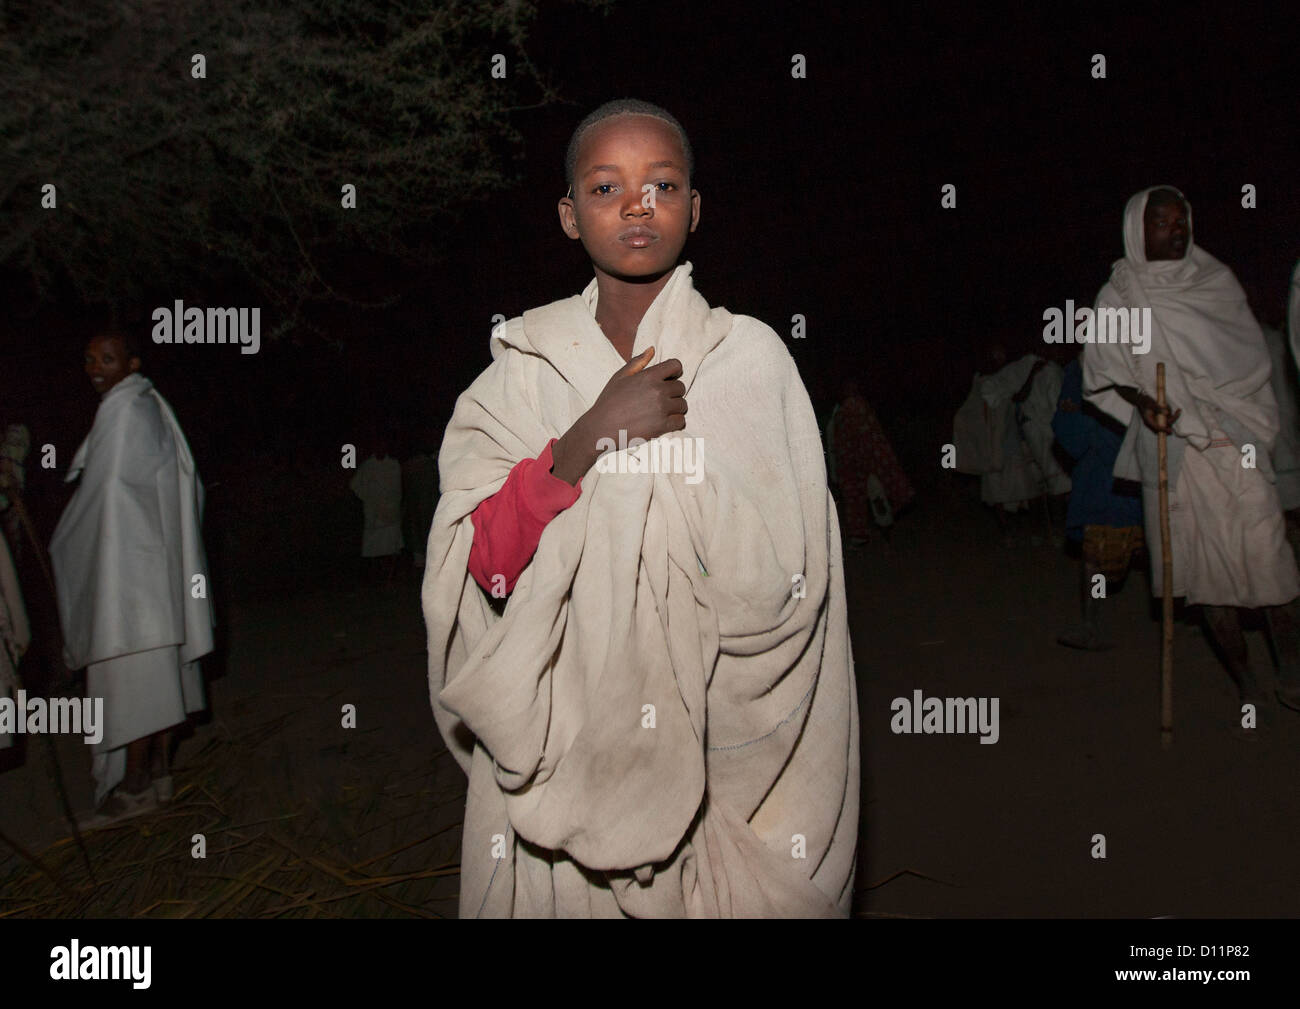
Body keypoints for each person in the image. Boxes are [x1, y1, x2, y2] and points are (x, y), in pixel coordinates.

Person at [422, 99, 858, 917]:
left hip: (719, 762)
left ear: (694, 209)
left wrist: (673, 494)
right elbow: (480, 566)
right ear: (568, 215)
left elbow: (785, 587)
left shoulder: (749, 359)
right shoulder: (521, 372)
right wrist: (584, 442)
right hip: (565, 762)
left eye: (661, 183)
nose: (636, 203)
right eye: (604, 186)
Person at [1084, 186, 1300, 723]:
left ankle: (1293, 671)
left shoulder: (1216, 282)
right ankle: (1246, 682)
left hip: (1237, 445)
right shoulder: (1121, 295)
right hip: (1175, 456)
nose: (1175, 230)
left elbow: (1252, 364)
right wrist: (1144, 403)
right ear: (1138, 229)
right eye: (1161, 222)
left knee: (1270, 558)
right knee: (1206, 579)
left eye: (1182, 220)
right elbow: (1106, 375)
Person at [50, 329, 213, 824]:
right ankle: (161, 776)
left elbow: (105, 499)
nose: (95, 367)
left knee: (135, 688)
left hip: (129, 585)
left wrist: (63, 540)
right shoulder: (153, 408)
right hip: (158, 578)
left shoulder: (121, 411)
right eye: (89, 357)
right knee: (162, 681)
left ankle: (134, 787)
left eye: (108, 358)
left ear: (132, 363)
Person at [1052, 350, 1144, 649]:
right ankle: (1091, 624)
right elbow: (1069, 426)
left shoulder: (1137, 360)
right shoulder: (1077, 370)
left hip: (1140, 470)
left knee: (1153, 548)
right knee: (1095, 554)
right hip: (1098, 478)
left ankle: (1184, 612)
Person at [977, 346, 1070, 544]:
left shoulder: (1036, 368)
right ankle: (1054, 532)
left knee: (1038, 485)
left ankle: (1042, 532)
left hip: (1027, 434)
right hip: (1032, 433)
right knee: (1053, 483)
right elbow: (1016, 396)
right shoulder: (1027, 368)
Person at [825, 377, 913, 549]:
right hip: (856, 463)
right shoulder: (842, 411)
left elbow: (869, 437)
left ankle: (875, 536)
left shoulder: (853, 409)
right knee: (869, 499)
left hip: (860, 463)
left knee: (868, 499)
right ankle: (874, 535)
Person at [349, 429, 403, 581]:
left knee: (392, 547)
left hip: (391, 513)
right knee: (374, 547)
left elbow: (397, 489)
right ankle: (376, 578)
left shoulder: (393, 465)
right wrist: (369, 499)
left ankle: (390, 577)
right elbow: (356, 485)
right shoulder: (367, 466)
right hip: (373, 514)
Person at [402, 422, 441, 570]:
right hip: (417, 506)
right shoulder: (413, 464)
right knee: (417, 535)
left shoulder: (437, 460)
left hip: (434, 506)